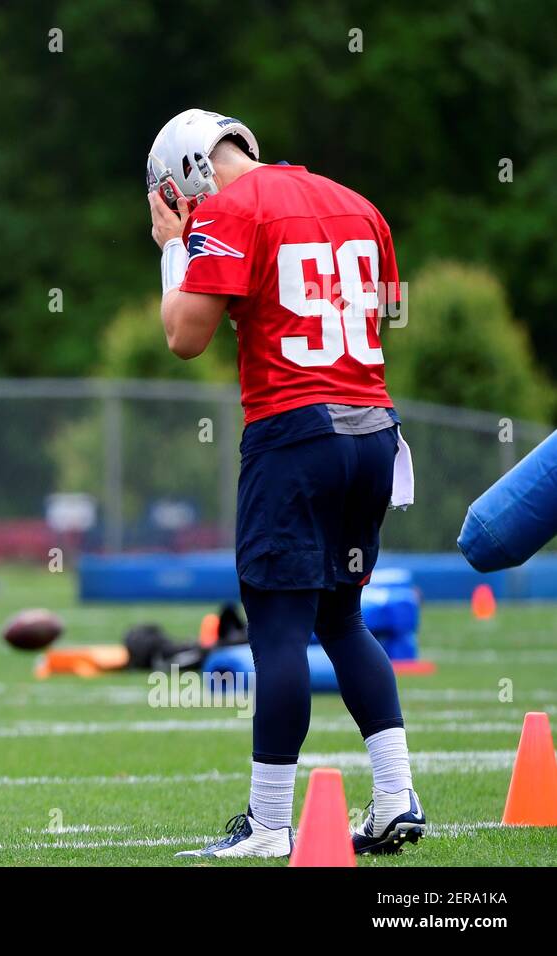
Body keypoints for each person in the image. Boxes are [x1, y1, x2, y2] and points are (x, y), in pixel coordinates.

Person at [144, 109, 424, 858]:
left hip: (294, 433)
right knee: (341, 619)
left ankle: (270, 825)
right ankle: (396, 795)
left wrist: (177, 251)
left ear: (190, 176)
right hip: (372, 428)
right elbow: (384, 311)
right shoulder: (357, 202)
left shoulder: (229, 211)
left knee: (277, 630)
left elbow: (183, 337)